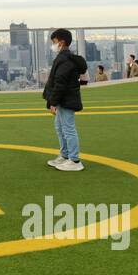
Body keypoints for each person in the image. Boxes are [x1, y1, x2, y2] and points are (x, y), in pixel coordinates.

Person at [43, 28, 88, 171]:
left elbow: (59, 83)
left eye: (54, 42)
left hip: (65, 100)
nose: (53, 45)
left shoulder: (65, 60)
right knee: (60, 127)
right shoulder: (65, 58)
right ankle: (65, 155)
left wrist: (53, 102)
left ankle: (74, 161)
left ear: (61, 42)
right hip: (64, 99)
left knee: (68, 129)